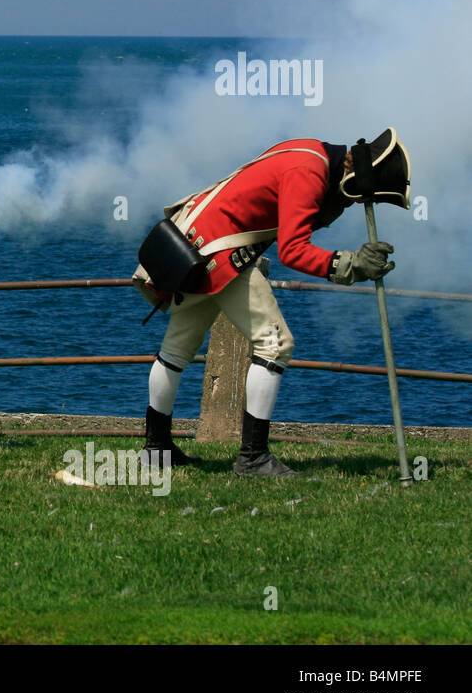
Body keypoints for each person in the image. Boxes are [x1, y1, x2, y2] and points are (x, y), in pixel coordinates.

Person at [136, 128, 410, 477]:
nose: (353, 203)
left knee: (175, 351)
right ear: (351, 178)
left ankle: (156, 448)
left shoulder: (311, 151)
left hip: (194, 245)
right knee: (275, 344)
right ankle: (253, 458)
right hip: (222, 254)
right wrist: (352, 264)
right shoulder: (309, 174)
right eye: (355, 197)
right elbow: (293, 250)